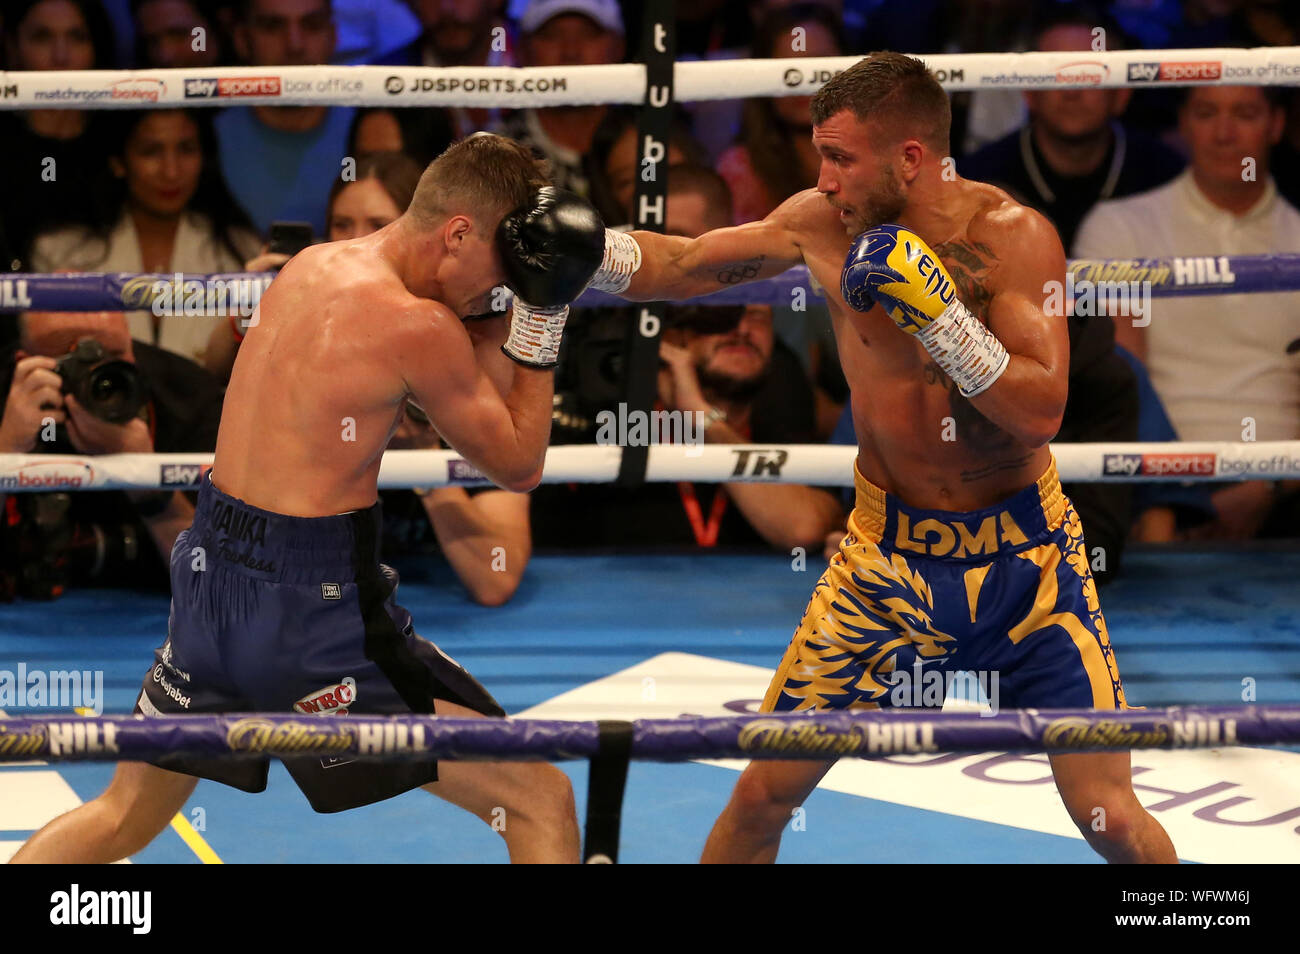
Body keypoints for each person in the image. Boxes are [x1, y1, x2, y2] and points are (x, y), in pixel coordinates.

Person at [585, 52, 1177, 863]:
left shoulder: (1014, 238)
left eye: (840, 159)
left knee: (1108, 813)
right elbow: (685, 266)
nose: (823, 179)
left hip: (1030, 563)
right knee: (762, 798)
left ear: (909, 159)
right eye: (821, 156)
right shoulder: (820, 224)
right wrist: (590, 252)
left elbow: (1040, 410)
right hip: (886, 562)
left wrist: (941, 316)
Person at [11, 133, 603, 863]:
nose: (503, 281)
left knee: (124, 814)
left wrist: (493, 307)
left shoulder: (311, 265)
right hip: (310, 608)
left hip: (209, 578)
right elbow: (518, 464)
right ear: (456, 233)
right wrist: (544, 313)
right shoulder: (420, 326)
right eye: (501, 262)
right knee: (540, 799)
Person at [1075, 84, 1300, 540]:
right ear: (1183, 124)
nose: (1224, 133)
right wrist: (1169, 504)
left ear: (1276, 125)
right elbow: (1121, 378)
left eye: (1245, 113)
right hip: (1150, 484)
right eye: (1205, 112)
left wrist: (1273, 482)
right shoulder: (1121, 226)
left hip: (1285, 487)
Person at [0, 310, 224, 599]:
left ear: (131, 349)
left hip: (153, 617)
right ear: (24, 362)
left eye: (113, 355)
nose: (96, 373)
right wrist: (7, 453)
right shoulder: (6, 393)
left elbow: (214, 585)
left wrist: (144, 475)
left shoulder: (187, 396)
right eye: (74, 361)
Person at [31, 109, 261, 366]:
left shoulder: (245, 253)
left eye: (186, 149)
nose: (171, 171)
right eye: (151, 151)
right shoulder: (59, 252)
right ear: (118, 162)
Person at [215, 0, 354, 236]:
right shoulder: (202, 140)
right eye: (272, 26)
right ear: (242, 39)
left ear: (333, 36)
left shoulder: (372, 129)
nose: (294, 44)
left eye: (312, 25)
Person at [0, 0, 117, 269]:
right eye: (42, 38)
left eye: (77, 37)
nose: (61, 56)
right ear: (12, 47)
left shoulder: (120, 141)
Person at [494, 0, 626, 199]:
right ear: (523, 50)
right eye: (552, 36)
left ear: (618, 47)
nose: (570, 52)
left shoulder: (650, 145)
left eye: (588, 35)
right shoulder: (495, 154)